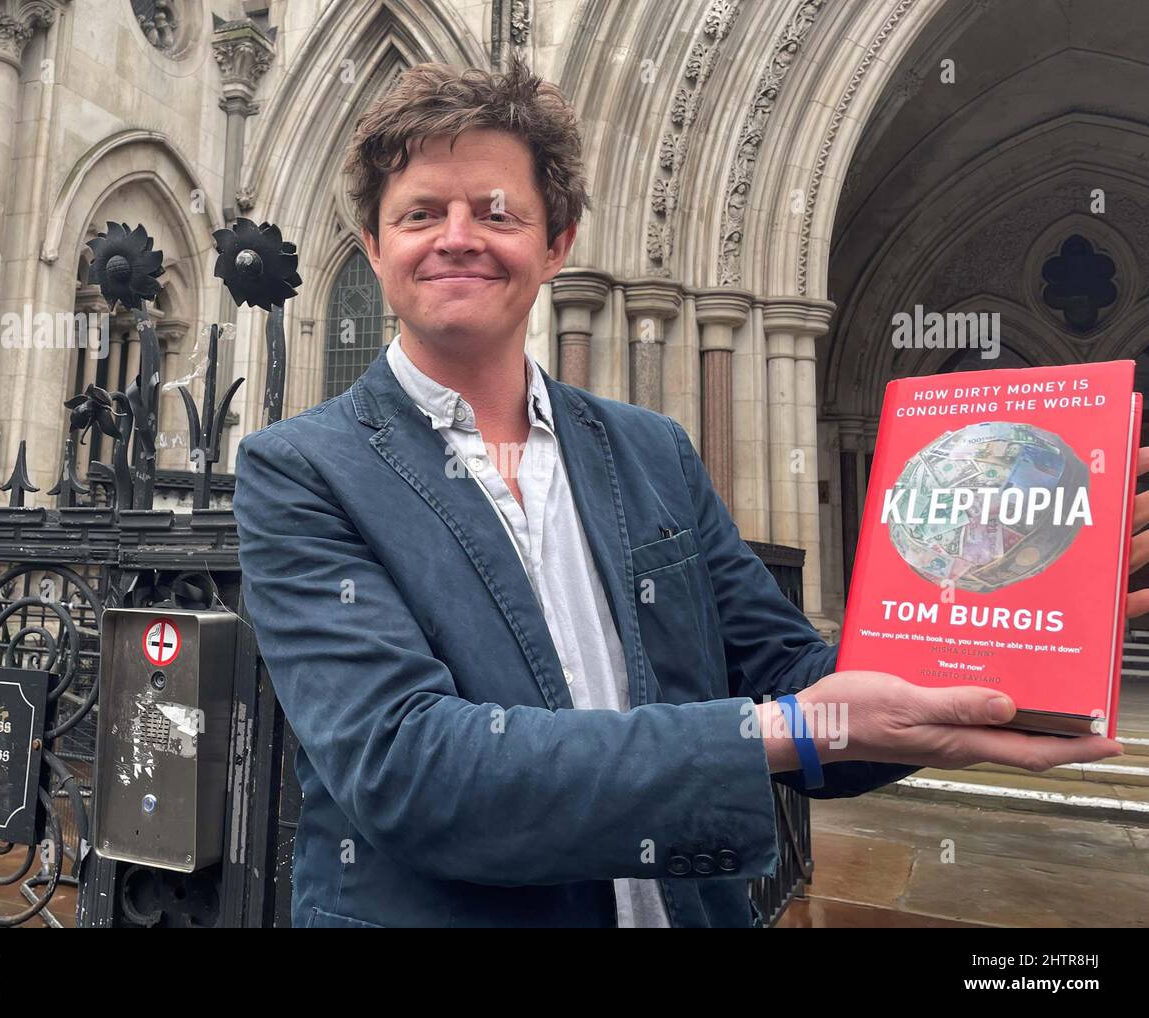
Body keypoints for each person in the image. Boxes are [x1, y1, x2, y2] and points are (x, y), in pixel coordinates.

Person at [233, 58, 1128, 928]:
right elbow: (410, 769)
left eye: (497, 211)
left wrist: (999, 622)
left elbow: (788, 675)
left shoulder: (650, 449)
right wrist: (782, 734)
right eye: (421, 213)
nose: (457, 236)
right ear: (375, 251)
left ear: (557, 245)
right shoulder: (302, 470)